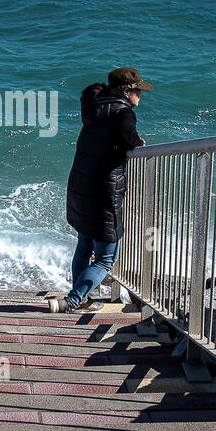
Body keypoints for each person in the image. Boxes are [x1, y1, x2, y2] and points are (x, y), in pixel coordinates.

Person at [51, 66, 152, 313]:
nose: (141, 94)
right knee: (106, 258)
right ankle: (73, 300)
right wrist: (139, 143)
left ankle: (81, 297)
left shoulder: (94, 109)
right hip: (105, 192)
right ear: (127, 91)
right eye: (138, 89)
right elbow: (129, 140)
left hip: (81, 186)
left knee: (84, 246)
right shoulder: (123, 113)